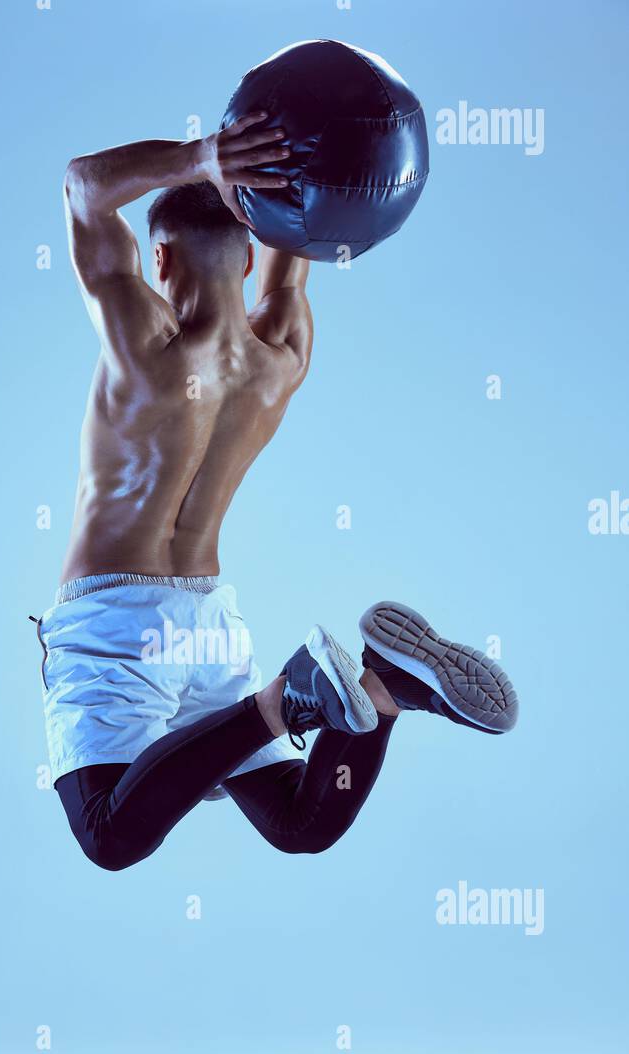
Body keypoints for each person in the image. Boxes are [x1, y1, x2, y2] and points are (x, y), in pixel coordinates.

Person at [32, 114, 517, 871]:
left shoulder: (142, 345)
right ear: (253, 254)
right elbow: (297, 253)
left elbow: (83, 188)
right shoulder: (281, 354)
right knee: (299, 823)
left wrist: (203, 157)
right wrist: (305, 175)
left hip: (114, 623)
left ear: (157, 258)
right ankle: (381, 691)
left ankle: (286, 700)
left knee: (110, 836)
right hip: (206, 620)